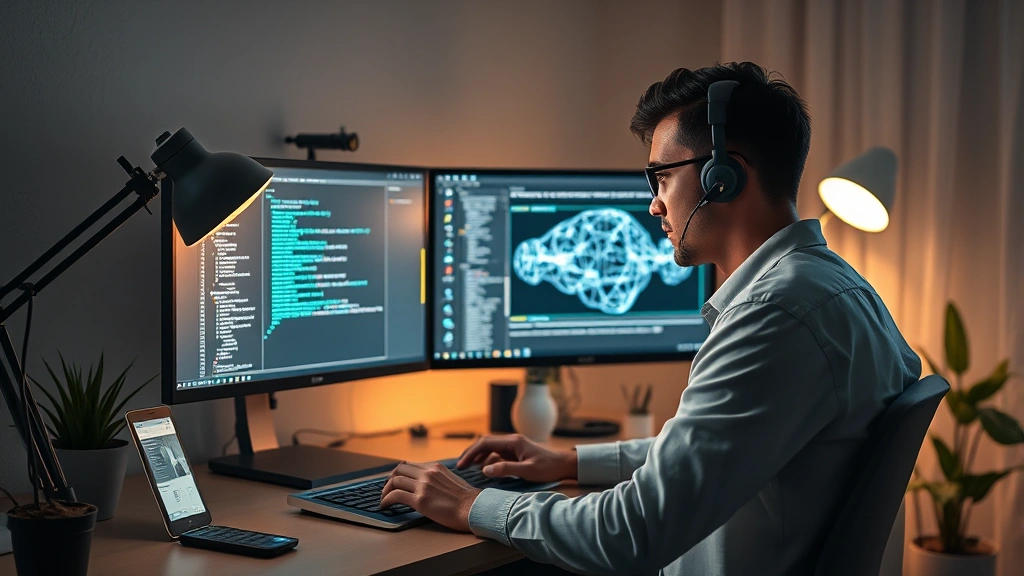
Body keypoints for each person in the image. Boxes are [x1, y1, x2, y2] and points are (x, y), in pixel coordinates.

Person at [380, 62, 922, 575]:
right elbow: (713, 453)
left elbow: (633, 530)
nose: (654, 205)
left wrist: (472, 505)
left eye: (661, 177)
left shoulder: (772, 316)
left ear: (724, 177)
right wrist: (569, 462)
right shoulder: (838, 290)